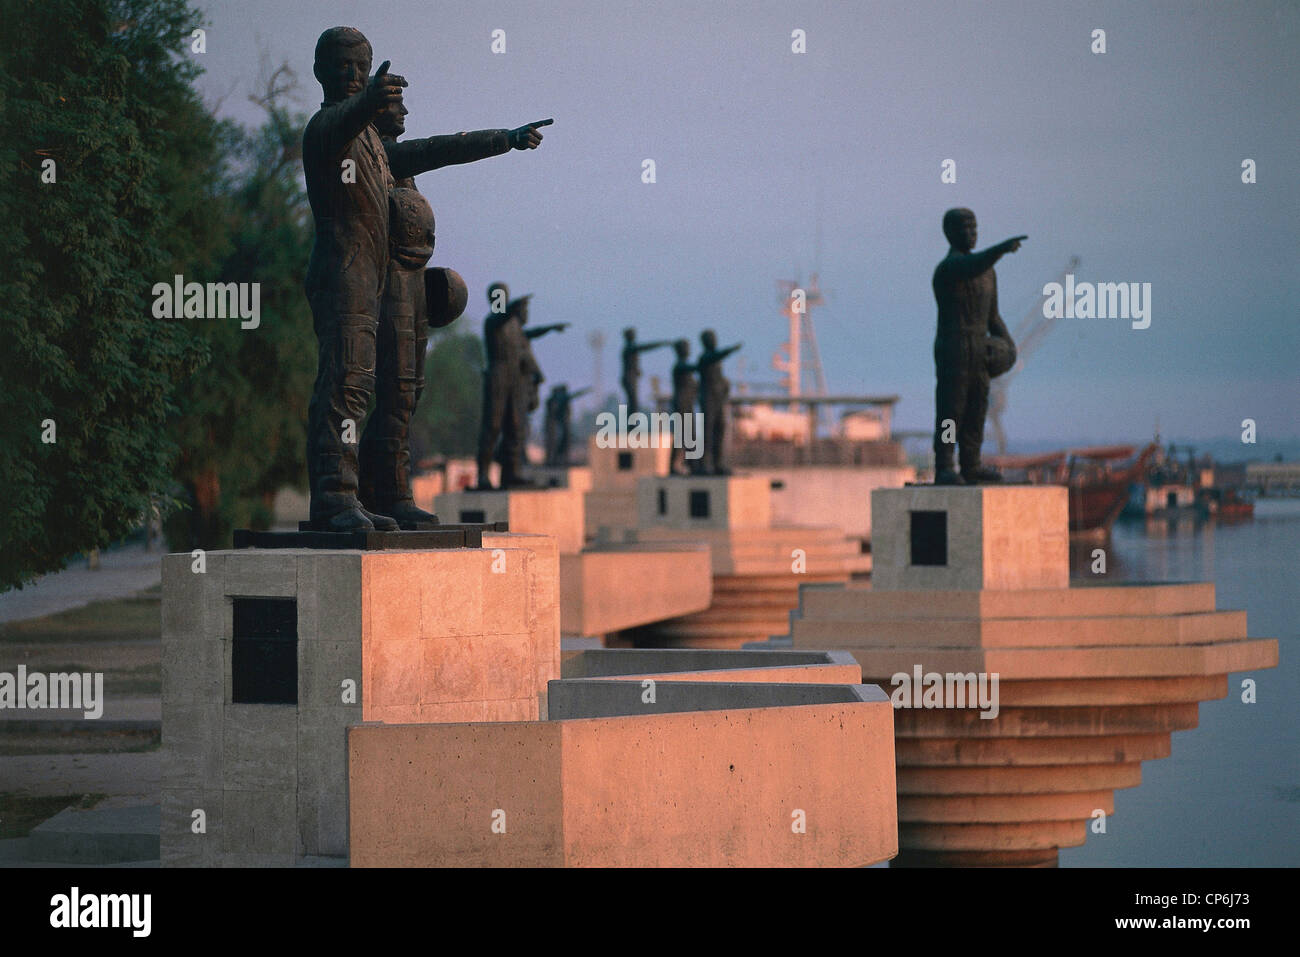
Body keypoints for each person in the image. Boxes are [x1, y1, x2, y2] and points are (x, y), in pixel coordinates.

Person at [931, 208, 1025, 485]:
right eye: (965, 229)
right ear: (950, 233)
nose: (971, 235)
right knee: (951, 412)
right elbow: (970, 266)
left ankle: (971, 465)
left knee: (977, 410)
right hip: (954, 348)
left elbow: (993, 316)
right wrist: (1002, 249)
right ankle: (945, 465)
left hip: (980, 349)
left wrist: (1008, 345)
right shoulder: (948, 269)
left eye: (975, 229)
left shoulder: (988, 274)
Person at [697, 330, 742, 475]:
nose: (714, 341)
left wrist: (724, 386)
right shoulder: (705, 357)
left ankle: (718, 464)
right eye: (711, 339)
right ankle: (704, 464)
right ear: (705, 342)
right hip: (708, 399)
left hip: (718, 400)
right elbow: (716, 356)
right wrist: (731, 350)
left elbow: (718, 378)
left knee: (720, 431)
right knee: (707, 432)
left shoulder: (716, 361)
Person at [620, 328, 671, 415]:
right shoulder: (629, 347)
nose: (634, 336)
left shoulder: (630, 348)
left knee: (633, 402)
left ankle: (632, 424)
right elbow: (645, 347)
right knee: (633, 402)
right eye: (632, 334)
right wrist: (661, 343)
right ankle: (632, 424)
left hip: (631, 377)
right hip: (629, 378)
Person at [668, 339, 698, 476]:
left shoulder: (685, 368)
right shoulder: (679, 366)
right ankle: (674, 466)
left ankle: (692, 465)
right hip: (681, 405)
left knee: (690, 436)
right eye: (686, 347)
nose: (688, 350)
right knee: (681, 436)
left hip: (688, 405)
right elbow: (695, 367)